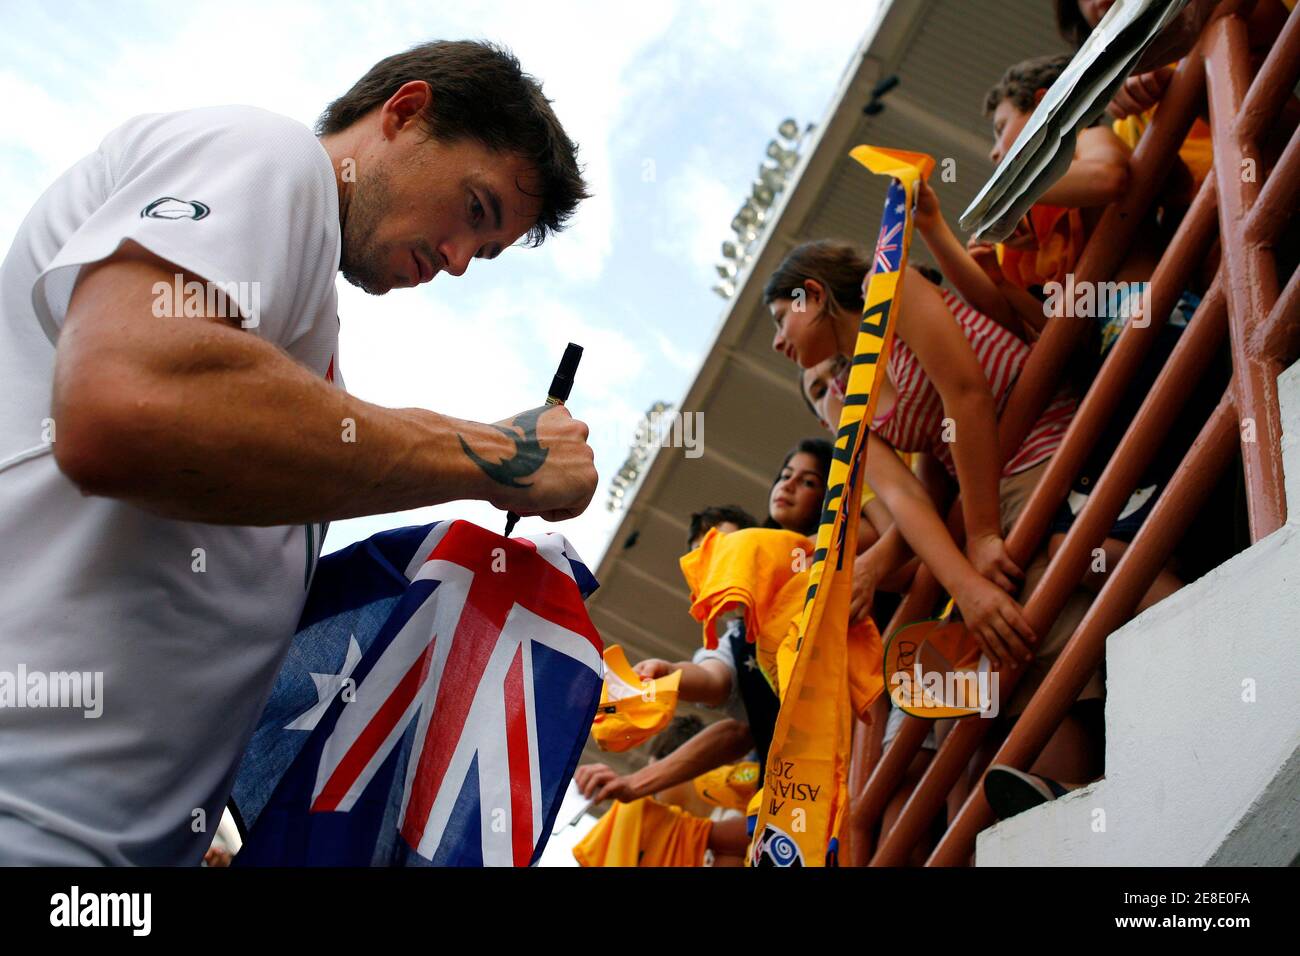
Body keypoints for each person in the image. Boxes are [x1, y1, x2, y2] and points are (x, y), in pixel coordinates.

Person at [0, 40, 598, 865]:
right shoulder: (269, 155)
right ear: (405, 112)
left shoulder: (301, 356)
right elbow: (127, 403)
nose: (459, 260)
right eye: (474, 208)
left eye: (484, 253)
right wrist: (501, 452)